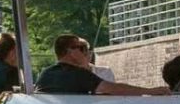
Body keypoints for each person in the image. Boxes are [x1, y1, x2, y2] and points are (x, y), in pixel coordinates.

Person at [36, 34, 170, 96]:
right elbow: (113, 89)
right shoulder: (77, 74)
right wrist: (150, 91)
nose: (86, 52)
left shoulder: (46, 73)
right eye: (81, 48)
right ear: (71, 51)